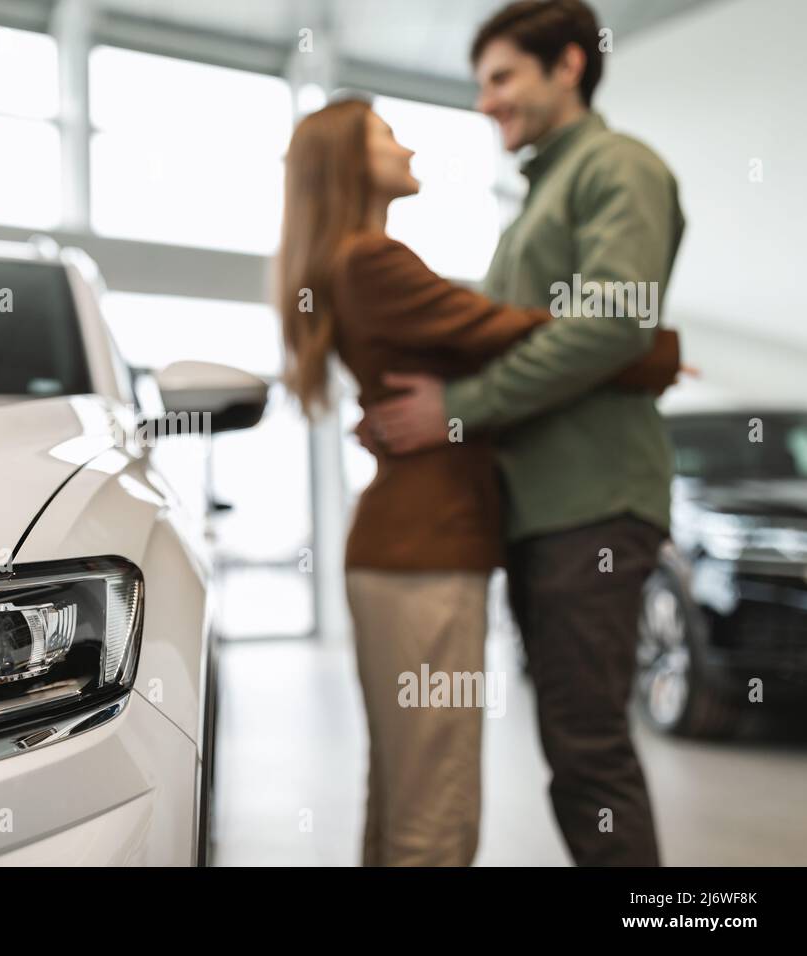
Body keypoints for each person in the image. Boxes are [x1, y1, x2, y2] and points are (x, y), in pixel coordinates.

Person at [275, 95, 680, 866]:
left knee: (402, 793)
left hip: (404, 551)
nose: (409, 149)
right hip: (424, 556)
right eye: (388, 137)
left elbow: (482, 340)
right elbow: (501, 329)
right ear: (349, 162)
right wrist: (643, 347)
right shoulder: (372, 260)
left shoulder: (353, 263)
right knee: (438, 808)